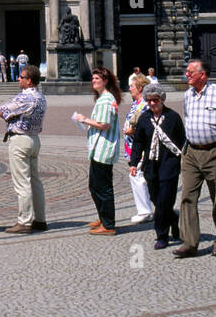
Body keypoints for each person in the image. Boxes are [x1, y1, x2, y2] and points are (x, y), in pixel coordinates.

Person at [175, 59, 216, 258]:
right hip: (192, 152)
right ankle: (190, 242)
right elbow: (187, 119)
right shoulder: (187, 95)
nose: (186, 75)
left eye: (190, 72)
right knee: (187, 197)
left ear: (202, 75)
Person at [128, 82, 186, 249]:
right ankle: (173, 219)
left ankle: (162, 235)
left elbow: (182, 140)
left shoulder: (173, 117)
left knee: (164, 201)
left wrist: (184, 161)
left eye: (155, 100)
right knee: (156, 199)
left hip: (169, 165)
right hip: (151, 166)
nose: (152, 103)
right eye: (149, 100)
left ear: (162, 99)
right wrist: (134, 162)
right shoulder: (144, 118)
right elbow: (138, 142)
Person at [0, 64, 48, 233]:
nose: (18, 79)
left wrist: (11, 115)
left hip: (20, 140)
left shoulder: (24, 98)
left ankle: (24, 221)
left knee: (22, 183)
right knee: (35, 181)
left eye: (21, 77)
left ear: (29, 81)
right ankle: (40, 219)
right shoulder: (41, 97)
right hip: (34, 140)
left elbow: (1, 110)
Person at [73, 67, 121, 235]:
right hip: (99, 147)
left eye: (97, 78)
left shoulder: (106, 100)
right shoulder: (104, 98)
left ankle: (108, 224)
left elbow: (105, 124)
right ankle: (103, 217)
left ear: (105, 81)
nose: (93, 80)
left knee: (102, 187)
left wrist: (84, 120)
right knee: (95, 186)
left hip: (103, 147)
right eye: (93, 78)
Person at [122, 73, 154, 225]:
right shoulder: (137, 103)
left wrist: (133, 131)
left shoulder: (145, 105)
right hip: (132, 147)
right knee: (138, 176)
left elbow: (147, 126)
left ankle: (144, 211)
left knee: (137, 176)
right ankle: (146, 209)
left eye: (132, 86)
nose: (129, 88)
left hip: (140, 148)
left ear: (140, 88)